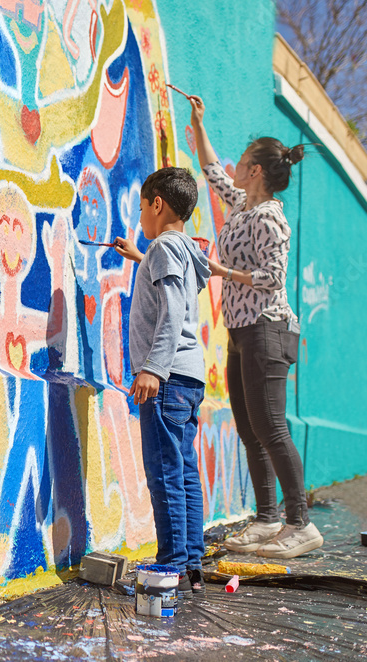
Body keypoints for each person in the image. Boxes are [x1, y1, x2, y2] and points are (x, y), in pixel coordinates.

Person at [188, 95, 323, 559]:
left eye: (243, 161)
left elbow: (272, 278)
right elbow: (211, 171)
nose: (236, 166)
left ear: (257, 171)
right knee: (250, 427)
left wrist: (225, 274)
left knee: (272, 426)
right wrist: (198, 123)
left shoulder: (269, 217)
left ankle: (299, 524)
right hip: (242, 330)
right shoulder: (243, 205)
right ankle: (268, 520)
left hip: (267, 328)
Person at [114, 167, 212, 595]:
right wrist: (140, 256)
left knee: (164, 472)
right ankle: (190, 561)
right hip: (189, 379)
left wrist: (152, 367)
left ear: (158, 204)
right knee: (184, 470)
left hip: (167, 379)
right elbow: (179, 294)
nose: (141, 218)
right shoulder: (183, 249)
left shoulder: (164, 248)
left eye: (142, 208)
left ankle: (170, 565)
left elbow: (172, 311)